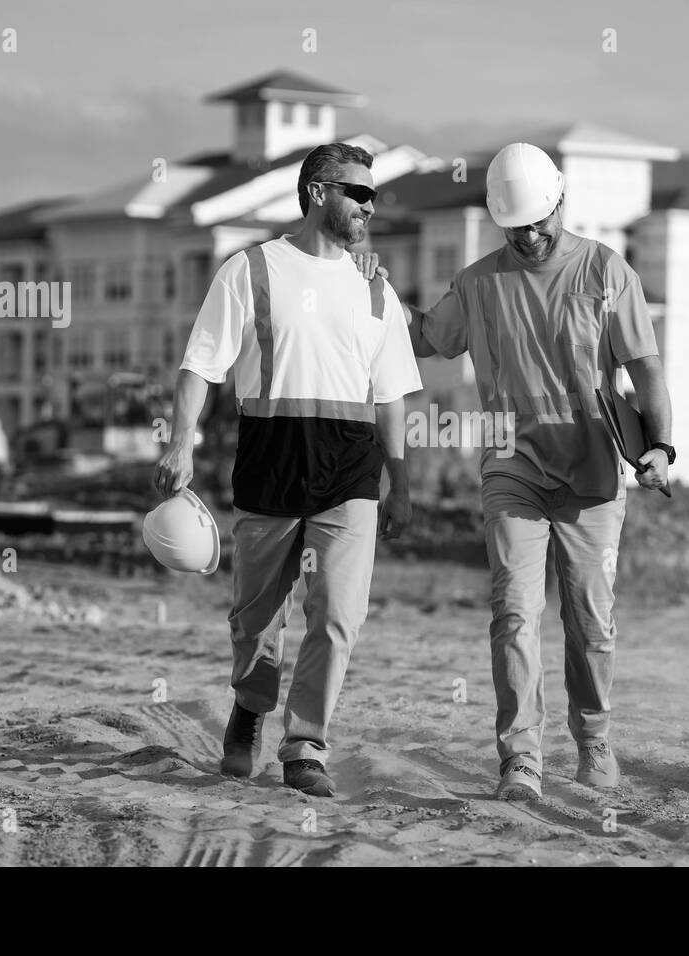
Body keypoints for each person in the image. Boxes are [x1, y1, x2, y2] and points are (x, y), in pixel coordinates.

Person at [405, 142, 674, 801]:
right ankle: (520, 759)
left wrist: (661, 445)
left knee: (589, 619)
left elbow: (645, 369)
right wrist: (365, 298)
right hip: (511, 466)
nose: (528, 236)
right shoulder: (477, 284)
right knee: (515, 612)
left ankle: (594, 743)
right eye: (514, 226)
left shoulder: (608, 273)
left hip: (592, 469)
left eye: (538, 221)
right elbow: (421, 338)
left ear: (560, 202)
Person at [154, 142, 421, 798]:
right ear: (316, 192)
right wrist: (181, 443)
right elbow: (201, 365)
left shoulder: (378, 290)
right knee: (256, 617)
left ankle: (306, 745)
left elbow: (391, 396)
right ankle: (249, 709)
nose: (369, 205)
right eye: (357, 193)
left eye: (373, 195)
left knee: (339, 614)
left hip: (352, 468)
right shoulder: (250, 270)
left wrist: (402, 479)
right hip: (270, 460)